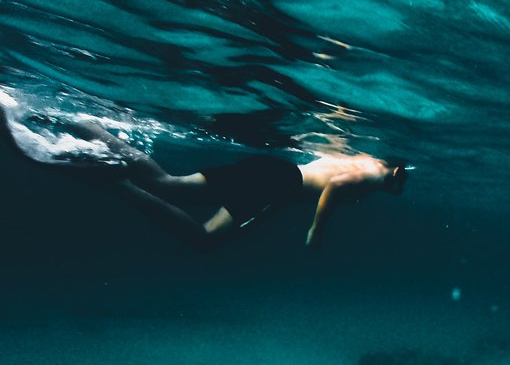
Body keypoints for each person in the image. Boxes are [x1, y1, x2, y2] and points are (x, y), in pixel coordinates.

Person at [1, 105, 408, 248]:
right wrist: (316, 231)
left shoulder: (365, 157)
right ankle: (114, 180)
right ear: (395, 168)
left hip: (274, 171)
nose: (399, 187)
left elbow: (336, 170)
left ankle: (91, 130)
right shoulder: (375, 173)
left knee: (170, 185)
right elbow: (336, 186)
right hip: (282, 185)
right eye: (400, 179)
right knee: (204, 240)